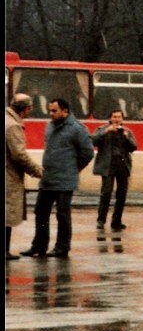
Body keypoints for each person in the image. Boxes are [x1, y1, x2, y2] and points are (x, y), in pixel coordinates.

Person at [21, 98, 93, 258]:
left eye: (54, 111)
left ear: (65, 111)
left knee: (63, 215)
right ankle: (38, 246)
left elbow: (87, 153)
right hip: (48, 178)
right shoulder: (50, 126)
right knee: (40, 212)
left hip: (65, 180)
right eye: (50, 110)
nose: (50, 114)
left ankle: (62, 247)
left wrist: (73, 168)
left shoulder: (77, 129)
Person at [6, 94, 45, 260]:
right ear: (26, 109)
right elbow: (19, 155)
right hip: (8, 176)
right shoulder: (13, 126)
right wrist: (37, 170)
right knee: (7, 213)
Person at [92, 109, 138, 231]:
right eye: (114, 117)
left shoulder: (127, 131)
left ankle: (117, 221)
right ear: (110, 118)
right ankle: (101, 220)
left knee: (121, 194)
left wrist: (127, 138)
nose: (117, 119)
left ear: (122, 119)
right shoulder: (102, 129)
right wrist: (106, 131)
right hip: (108, 165)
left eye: (119, 117)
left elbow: (133, 147)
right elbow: (93, 141)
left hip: (122, 165)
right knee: (106, 193)